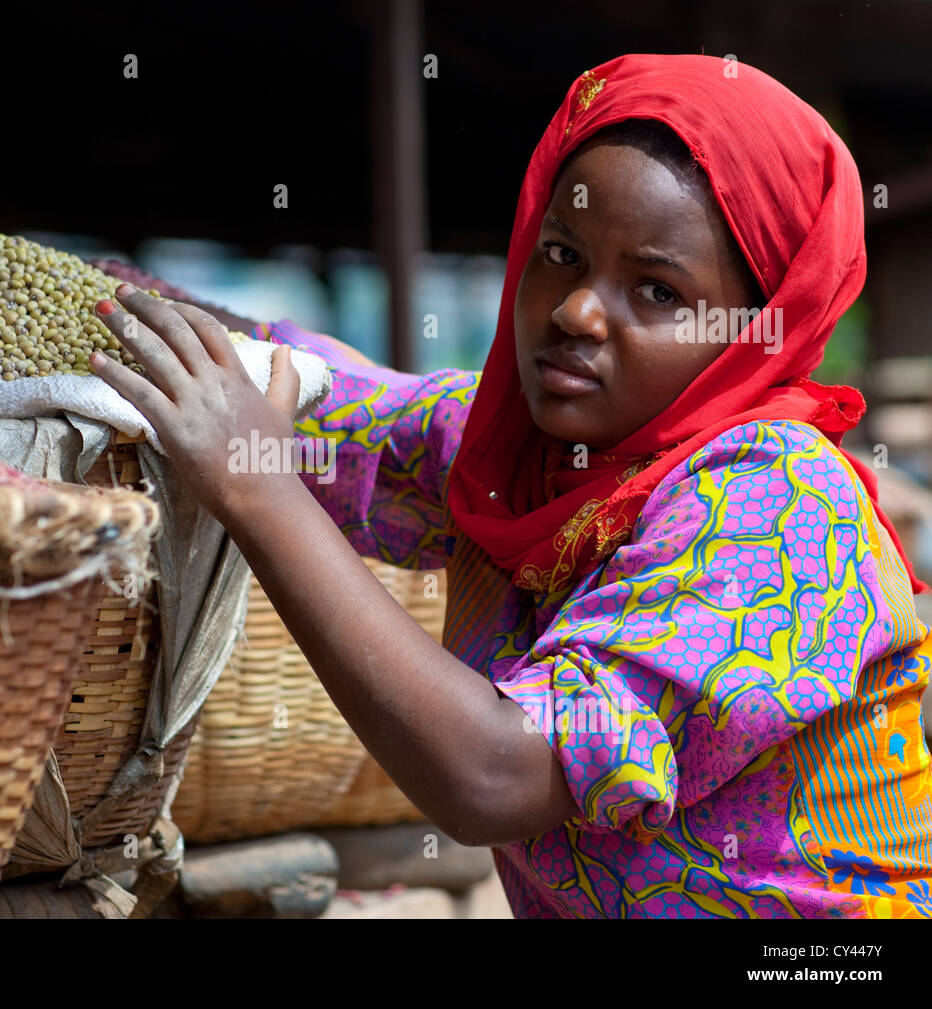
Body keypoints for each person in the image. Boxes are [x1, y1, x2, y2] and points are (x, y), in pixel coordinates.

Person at [85, 54, 932, 918]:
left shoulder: (780, 504)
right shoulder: (515, 450)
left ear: (754, 329)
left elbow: (496, 774)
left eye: (656, 289)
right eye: (560, 254)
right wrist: (113, 309)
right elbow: (307, 395)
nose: (577, 312)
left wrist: (257, 489)